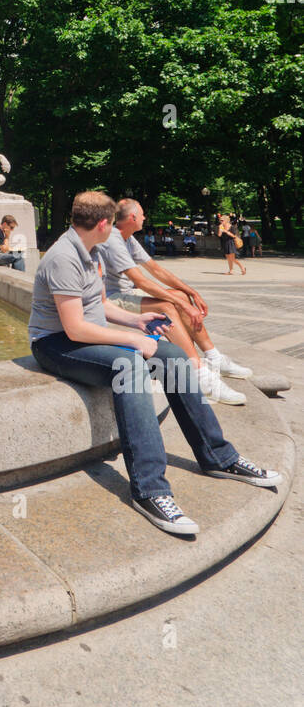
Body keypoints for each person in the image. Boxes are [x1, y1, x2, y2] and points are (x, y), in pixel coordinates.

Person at [29, 191, 280, 536]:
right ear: (103, 224)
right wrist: (133, 341)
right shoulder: (63, 257)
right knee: (129, 366)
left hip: (86, 333)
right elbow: (74, 328)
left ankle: (220, 458)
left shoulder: (93, 250)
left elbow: (99, 306)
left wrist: (137, 322)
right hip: (55, 344)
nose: (114, 233)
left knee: (174, 356)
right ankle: (150, 491)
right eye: (111, 226)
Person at [98, 198, 251, 406]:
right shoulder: (114, 240)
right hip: (112, 298)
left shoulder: (128, 239)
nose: (145, 217)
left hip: (127, 292)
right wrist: (185, 305)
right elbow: (141, 280)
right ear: (133, 217)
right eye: (142, 214)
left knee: (180, 296)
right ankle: (198, 375)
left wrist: (190, 293)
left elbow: (157, 270)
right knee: (167, 306)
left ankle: (213, 357)